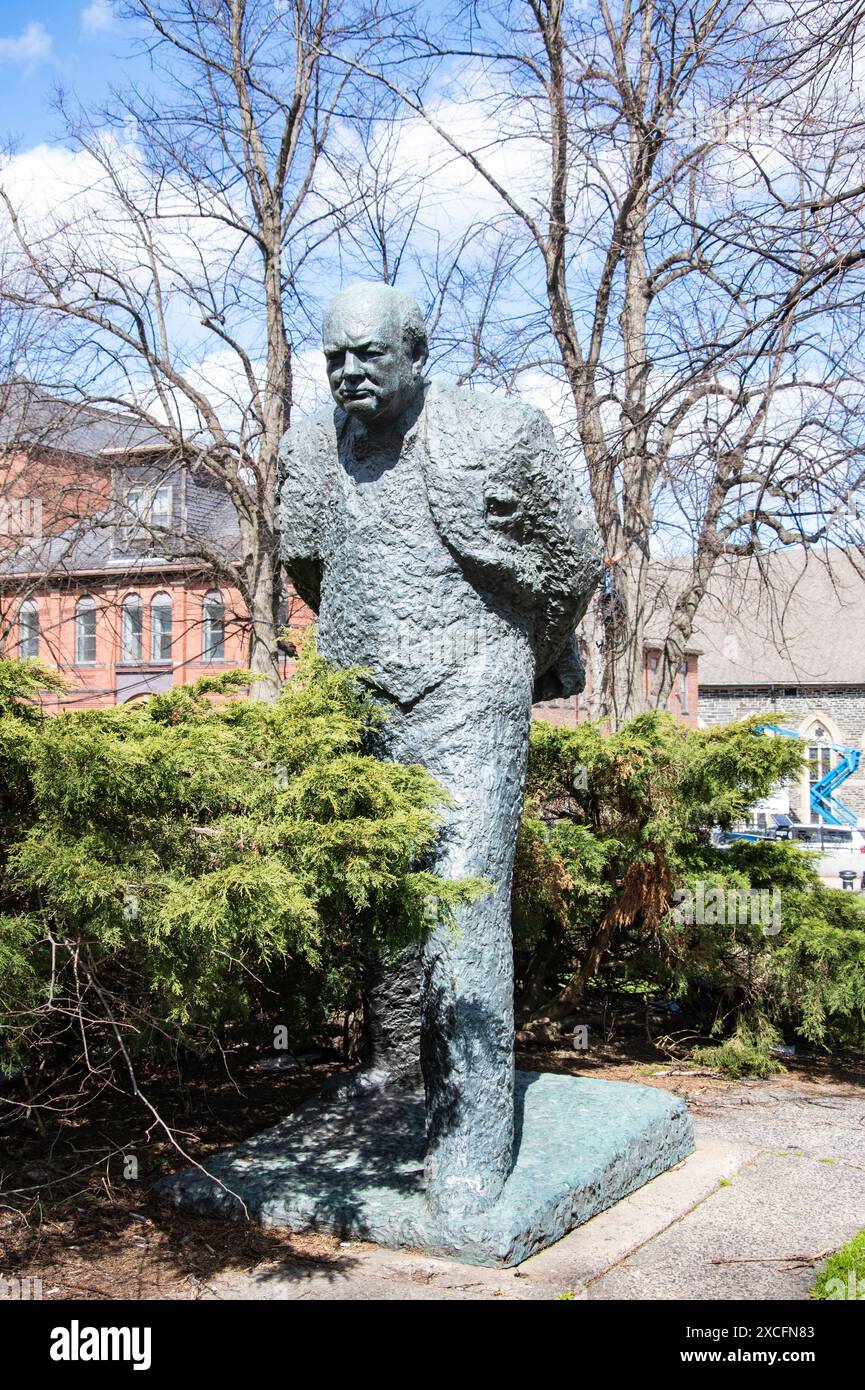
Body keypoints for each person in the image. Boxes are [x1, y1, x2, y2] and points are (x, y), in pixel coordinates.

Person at [278, 283, 601, 1217]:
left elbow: (572, 560)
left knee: (460, 898)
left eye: (366, 356)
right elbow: (308, 563)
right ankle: (390, 1078)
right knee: (381, 896)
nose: (347, 373)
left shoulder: (503, 431)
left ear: (416, 354)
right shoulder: (307, 445)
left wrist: (524, 658)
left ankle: (472, 1131)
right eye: (334, 357)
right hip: (358, 686)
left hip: (470, 681)